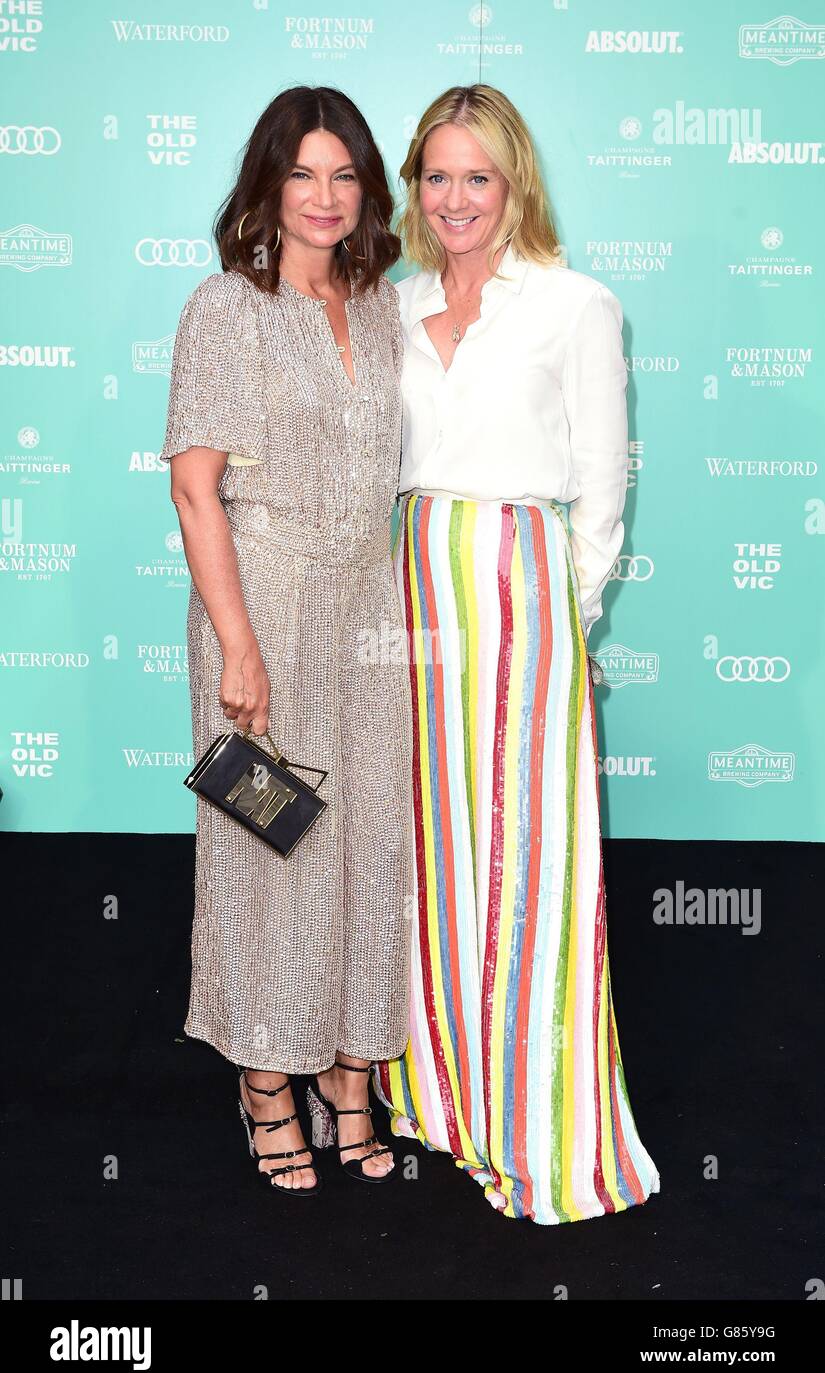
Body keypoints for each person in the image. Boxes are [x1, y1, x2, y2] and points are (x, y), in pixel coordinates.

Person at [373, 84, 661, 1223]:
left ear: (515, 184)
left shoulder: (576, 304)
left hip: (520, 594)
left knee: (527, 857)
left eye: (476, 177)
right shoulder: (386, 304)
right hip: (406, 587)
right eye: (435, 176)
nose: (454, 198)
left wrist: (559, 618)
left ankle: (541, 1122)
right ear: (415, 188)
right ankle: (438, 1095)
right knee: (428, 852)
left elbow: (601, 485)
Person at [159, 85, 413, 1195]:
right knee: (275, 845)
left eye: (343, 174)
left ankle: (348, 1073)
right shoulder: (228, 307)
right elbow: (195, 491)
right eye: (302, 173)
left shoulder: (385, 305)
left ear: (367, 190)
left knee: (373, 848)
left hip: (376, 610)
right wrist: (237, 645)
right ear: (269, 184)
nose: (324, 197)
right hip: (263, 597)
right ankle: (267, 1081)